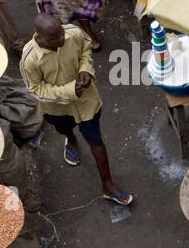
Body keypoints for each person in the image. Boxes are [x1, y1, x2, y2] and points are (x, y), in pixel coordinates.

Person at [20, 13, 132, 206]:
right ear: (40, 37)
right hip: (57, 109)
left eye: (61, 32)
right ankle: (70, 139)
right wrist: (69, 91)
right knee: (64, 128)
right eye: (54, 38)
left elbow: (85, 49)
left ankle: (108, 185)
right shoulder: (30, 59)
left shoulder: (74, 32)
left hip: (87, 102)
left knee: (96, 141)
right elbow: (35, 90)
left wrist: (85, 70)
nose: (61, 39)